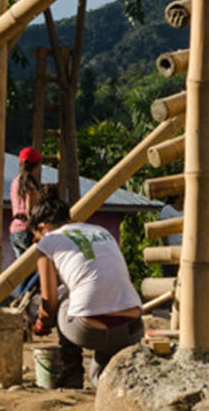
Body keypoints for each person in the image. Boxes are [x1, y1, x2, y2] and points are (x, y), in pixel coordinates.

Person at [27, 195, 144, 386]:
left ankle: (71, 371)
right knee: (99, 378)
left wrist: (42, 324)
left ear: (43, 227)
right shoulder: (100, 230)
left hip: (90, 331)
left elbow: (49, 301)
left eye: (36, 235)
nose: (36, 241)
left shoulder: (48, 241)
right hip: (132, 328)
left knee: (65, 294)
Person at [9, 148, 47, 298]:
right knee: (45, 265)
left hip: (15, 228)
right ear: (36, 165)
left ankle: (21, 300)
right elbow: (31, 209)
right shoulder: (29, 182)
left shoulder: (15, 181)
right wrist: (37, 231)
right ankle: (25, 295)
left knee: (24, 271)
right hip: (27, 228)